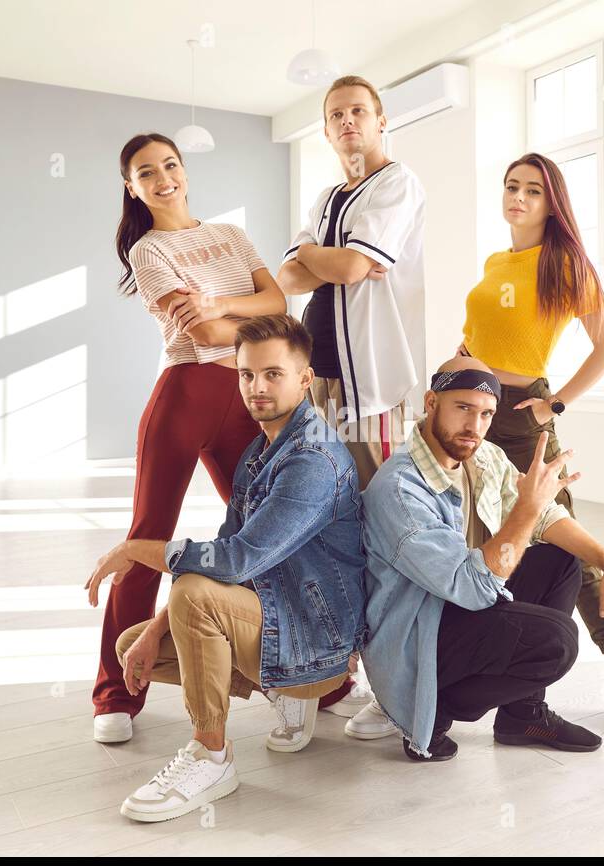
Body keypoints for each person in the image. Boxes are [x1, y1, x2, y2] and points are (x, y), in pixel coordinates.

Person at [93, 133, 357, 744]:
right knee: (146, 537)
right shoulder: (149, 251)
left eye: (170, 165)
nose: (163, 179)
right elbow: (214, 328)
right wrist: (244, 310)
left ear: (184, 171)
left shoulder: (232, 236)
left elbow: (281, 302)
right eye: (146, 173)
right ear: (130, 186)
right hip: (185, 394)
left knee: (268, 531)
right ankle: (113, 692)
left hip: (246, 395)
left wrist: (224, 302)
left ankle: (323, 679)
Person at [85, 314, 366, 822]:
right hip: (279, 618)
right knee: (134, 645)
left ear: (305, 379)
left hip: (316, 642)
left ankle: (211, 755)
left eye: (273, 374)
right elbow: (225, 545)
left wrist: (136, 548)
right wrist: (154, 631)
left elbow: (235, 561)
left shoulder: (312, 459)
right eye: (246, 374)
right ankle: (282, 693)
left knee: (193, 590)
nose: (256, 388)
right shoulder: (261, 451)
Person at [457, 152, 604, 745]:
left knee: (569, 547)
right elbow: (473, 339)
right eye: (511, 186)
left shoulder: (565, 263)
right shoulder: (497, 261)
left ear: (552, 203)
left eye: (533, 191)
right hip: (473, 406)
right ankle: (506, 689)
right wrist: (449, 385)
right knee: (479, 540)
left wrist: (556, 404)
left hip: (522, 419)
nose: (518, 197)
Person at [360, 357, 604, 761]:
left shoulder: (482, 455)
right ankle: (430, 713)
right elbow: (470, 588)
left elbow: (543, 515)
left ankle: (521, 716)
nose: (475, 426)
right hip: (420, 638)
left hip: (459, 603)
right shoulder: (401, 489)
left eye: (486, 413)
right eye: (463, 408)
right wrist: (527, 508)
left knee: (562, 558)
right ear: (432, 402)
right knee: (555, 643)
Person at [277, 75, 427, 740]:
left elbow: (351, 267)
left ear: (380, 119)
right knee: (326, 525)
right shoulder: (326, 195)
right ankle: (337, 669)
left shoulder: (397, 183)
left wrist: (314, 257)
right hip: (322, 383)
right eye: (335, 115)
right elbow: (293, 276)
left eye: (357, 111)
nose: (346, 123)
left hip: (374, 389)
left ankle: (400, 688)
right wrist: (316, 259)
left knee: (385, 533)